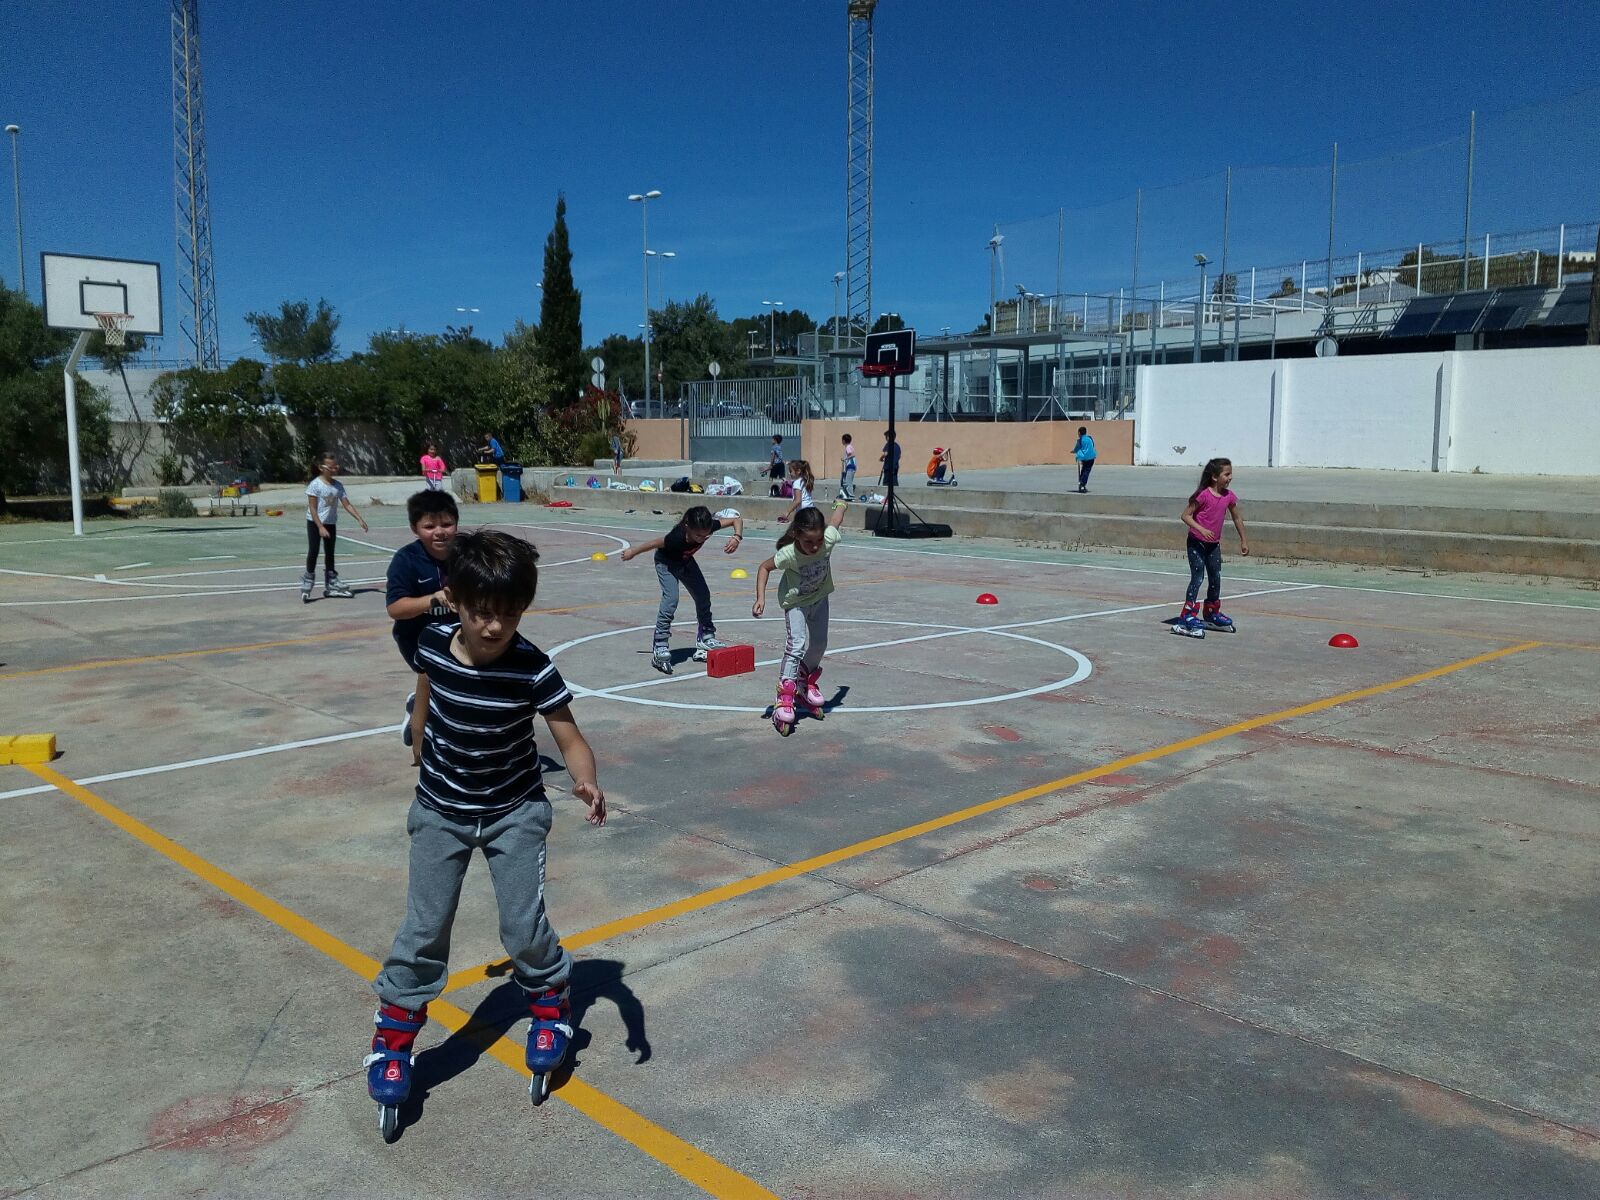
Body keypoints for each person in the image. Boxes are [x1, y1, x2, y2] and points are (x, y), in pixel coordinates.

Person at [366, 530, 606, 1124]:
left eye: (508, 614)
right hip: (441, 811)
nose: (494, 627)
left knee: (522, 927)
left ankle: (551, 1007)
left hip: (514, 812)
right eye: (482, 613)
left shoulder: (533, 669)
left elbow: (569, 736)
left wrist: (586, 780)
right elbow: (424, 690)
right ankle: (392, 1044)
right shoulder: (431, 643)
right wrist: (418, 740)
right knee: (424, 928)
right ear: (455, 599)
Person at [752, 499, 850, 734]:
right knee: (797, 644)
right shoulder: (788, 554)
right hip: (795, 603)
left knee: (820, 643)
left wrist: (841, 505)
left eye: (818, 541)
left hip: (819, 598)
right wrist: (760, 598)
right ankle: (785, 694)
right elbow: (763, 568)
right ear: (796, 534)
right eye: (808, 542)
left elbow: (836, 521)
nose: (815, 547)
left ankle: (803, 681)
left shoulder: (827, 539)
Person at [620, 505, 744, 674]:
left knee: (703, 595)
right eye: (698, 535)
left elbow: (736, 519)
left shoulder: (708, 526)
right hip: (666, 563)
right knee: (671, 599)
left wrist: (736, 537)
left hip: (685, 561)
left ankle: (705, 636)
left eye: (706, 535)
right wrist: (632, 552)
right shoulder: (676, 538)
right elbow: (654, 543)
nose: (702, 538)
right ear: (687, 526)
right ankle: (660, 644)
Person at [385, 490, 459, 747]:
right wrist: (433, 598)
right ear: (415, 528)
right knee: (440, 677)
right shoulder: (406, 560)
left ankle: (423, 705)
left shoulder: (466, 554)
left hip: (458, 634)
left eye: (447, 524)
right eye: (429, 526)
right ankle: (418, 715)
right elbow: (395, 608)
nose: (440, 532)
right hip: (417, 637)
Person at [1172, 457, 1249, 639]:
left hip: (1213, 545)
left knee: (1216, 577)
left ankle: (1211, 612)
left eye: (1231, 474)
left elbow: (1237, 518)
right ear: (1215, 477)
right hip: (1196, 543)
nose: (1230, 477)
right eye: (1226, 474)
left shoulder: (1228, 496)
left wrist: (1243, 540)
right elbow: (1185, 515)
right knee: (1197, 578)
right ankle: (1187, 615)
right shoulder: (1203, 495)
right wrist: (1200, 529)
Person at [301, 451, 369, 602]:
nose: (334, 469)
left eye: (335, 466)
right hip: (315, 522)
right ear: (321, 467)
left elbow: (347, 504)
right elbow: (312, 508)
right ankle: (308, 578)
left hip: (330, 523)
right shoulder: (315, 485)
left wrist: (359, 518)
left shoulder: (338, 486)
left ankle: (331, 580)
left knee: (330, 553)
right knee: (314, 551)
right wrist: (319, 526)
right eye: (331, 466)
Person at [1073, 426, 1097, 493]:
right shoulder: (1090, 438)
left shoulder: (1080, 440)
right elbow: (1093, 445)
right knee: (1086, 470)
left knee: (1084, 470)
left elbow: (1077, 448)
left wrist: (1074, 451)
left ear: (1079, 433)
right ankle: (1082, 483)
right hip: (1091, 457)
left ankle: (1082, 483)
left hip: (1084, 457)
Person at [839, 433, 857, 501]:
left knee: (848, 482)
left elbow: (852, 455)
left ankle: (851, 497)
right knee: (847, 481)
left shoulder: (848, 447)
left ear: (843, 441)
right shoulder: (850, 446)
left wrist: (845, 459)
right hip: (850, 466)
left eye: (842, 440)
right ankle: (848, 495)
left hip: (850, 466)